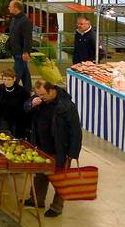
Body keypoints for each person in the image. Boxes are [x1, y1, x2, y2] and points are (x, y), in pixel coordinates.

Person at [26, 81, 83, 217]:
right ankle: (37, 199)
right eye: (38, 94)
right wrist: (32, 104)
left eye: (43, 95)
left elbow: (75, 131)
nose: (41, 97)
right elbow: (26, 107)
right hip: (41, 146)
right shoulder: (40, 101)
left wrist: (73, 153)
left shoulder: (67, 106)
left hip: (59, 149)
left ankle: (57, 207)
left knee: (59, 178)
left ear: (52, 91)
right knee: (40, 175)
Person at [0, 70, 30, 138]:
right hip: (4, 118)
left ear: (14, 79)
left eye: (9, 79)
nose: (6, 82)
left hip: (17, 120)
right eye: (4, 79)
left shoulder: (22, 91)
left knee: (15, 137)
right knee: (2, 136)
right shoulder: (1, 88)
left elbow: (26, 108)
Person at [7, 0, 33, 83]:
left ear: (16, 8)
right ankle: (27, 91)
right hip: (15, 51)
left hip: (21, 52)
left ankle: (12, 90)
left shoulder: (25, 21)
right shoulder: (14, 19)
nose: (8, 8)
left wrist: (26, 52)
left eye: (10, 6)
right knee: (25, 74)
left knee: (16, 74)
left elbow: (27, 37)